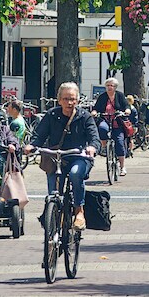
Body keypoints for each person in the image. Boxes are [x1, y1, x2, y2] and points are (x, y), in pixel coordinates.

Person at [26, 82, 99, 231]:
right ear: (59, 100)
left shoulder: (84, 117)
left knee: (75, 174)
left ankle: (79, 211)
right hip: (56, 158)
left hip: (79, 157)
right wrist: (31, 145)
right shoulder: (51, 115)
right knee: (53, 191)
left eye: (72, 99)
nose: (69, 103)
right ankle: (53, 216)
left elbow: (94, 137)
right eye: (65, 99)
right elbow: (39, 135)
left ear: (78, 100)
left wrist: (92, 147)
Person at [91, 77, 131, 177]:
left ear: (115, 87)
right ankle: (104, 146)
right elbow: (96, 108)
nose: (109, 87)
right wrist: (94, 112)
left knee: (120, 142)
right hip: (105, 119)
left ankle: (122, 167)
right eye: (107, 85)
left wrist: (127, 111)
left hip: (117, 122)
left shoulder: (120, 95)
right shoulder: (102, 97)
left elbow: (126, 106)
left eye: (111, 85)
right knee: (102, 128)